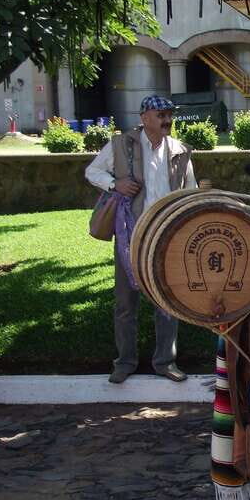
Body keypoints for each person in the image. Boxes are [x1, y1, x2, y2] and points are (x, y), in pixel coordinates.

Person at [86, 95, 197, 384]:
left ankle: (165, 361)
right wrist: (115, 184)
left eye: (170, 114)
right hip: (129, 233)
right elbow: (92, 171)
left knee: (167, 302)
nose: (167, 120)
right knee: (125, 302)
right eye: (161, 114)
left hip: (165, 236)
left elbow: (191, 191)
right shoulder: (122, 145)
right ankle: (124, 362)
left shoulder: (180, 150)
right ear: (144, 116)